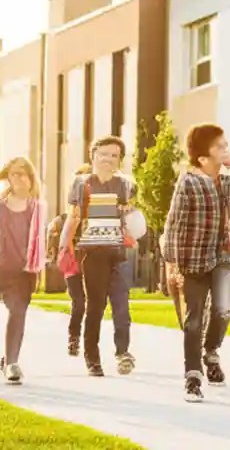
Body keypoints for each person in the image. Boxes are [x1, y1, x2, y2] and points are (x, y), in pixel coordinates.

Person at [163, 123, 230, 402]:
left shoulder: (226, 183)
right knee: (194, 318)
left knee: (224, 309)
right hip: (192, 259)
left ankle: (211, 351)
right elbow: (173, 224)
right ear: (202, 157)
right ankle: (193, 376)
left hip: (221, 255)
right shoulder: (188, 182)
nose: (226, 150)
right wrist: (171, 263)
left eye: (225, 145)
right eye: (219, 146)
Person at [59, 136, 146, 377]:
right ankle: (92, 357)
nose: (108, 159)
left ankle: (122, 353)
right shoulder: (81, 184)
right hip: (93, 252)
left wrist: (131, 228)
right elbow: (74, 216)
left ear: (120, 160)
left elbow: (130, 217)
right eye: (103, 154)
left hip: (118, 252)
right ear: (93, 155)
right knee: (95, 306)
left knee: (121, 305)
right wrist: (63, 245)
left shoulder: (126, 185)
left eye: (114, 155)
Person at [0, 156, 48, 385]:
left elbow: (40, 240)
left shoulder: (37, 208)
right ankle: (12, 363)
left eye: (23, 173)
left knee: (20, 312)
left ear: (31, 178)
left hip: (28, 271)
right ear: (7, 178)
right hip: (4, 270)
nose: (19, 178)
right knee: (16, 310)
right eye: (14, 173)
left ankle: (9, 358)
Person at [47, 163, 91, 357]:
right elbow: (52, 232)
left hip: (93, 263)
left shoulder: (98, 216)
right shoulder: (64, 218)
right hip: (73, 265)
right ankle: (74, 339)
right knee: (79, 303)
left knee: (94, 303)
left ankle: (90, 341)